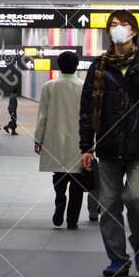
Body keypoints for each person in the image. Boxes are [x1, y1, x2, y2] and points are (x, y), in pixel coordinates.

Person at [78, 10, 139, 277]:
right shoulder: (99, 67)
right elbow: (87, 109)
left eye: (124, 24)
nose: (118, 28)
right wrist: (86, 146)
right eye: (114, 25)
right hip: (108, 147)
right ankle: (118, 259)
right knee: (108, 205)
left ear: (134, 31)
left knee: (135, 198)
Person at [34, 51, 88, 229]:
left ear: (59, 66)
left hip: (54, 139)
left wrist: (38, 139)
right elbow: (90, 117)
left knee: (59, 174)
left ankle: (59, 200)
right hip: (79, 141)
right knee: (77, 181)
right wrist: (92, 141)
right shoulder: (83, 87)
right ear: (77, 66)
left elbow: (42, 116)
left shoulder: (49, 86)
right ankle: (72, 220)